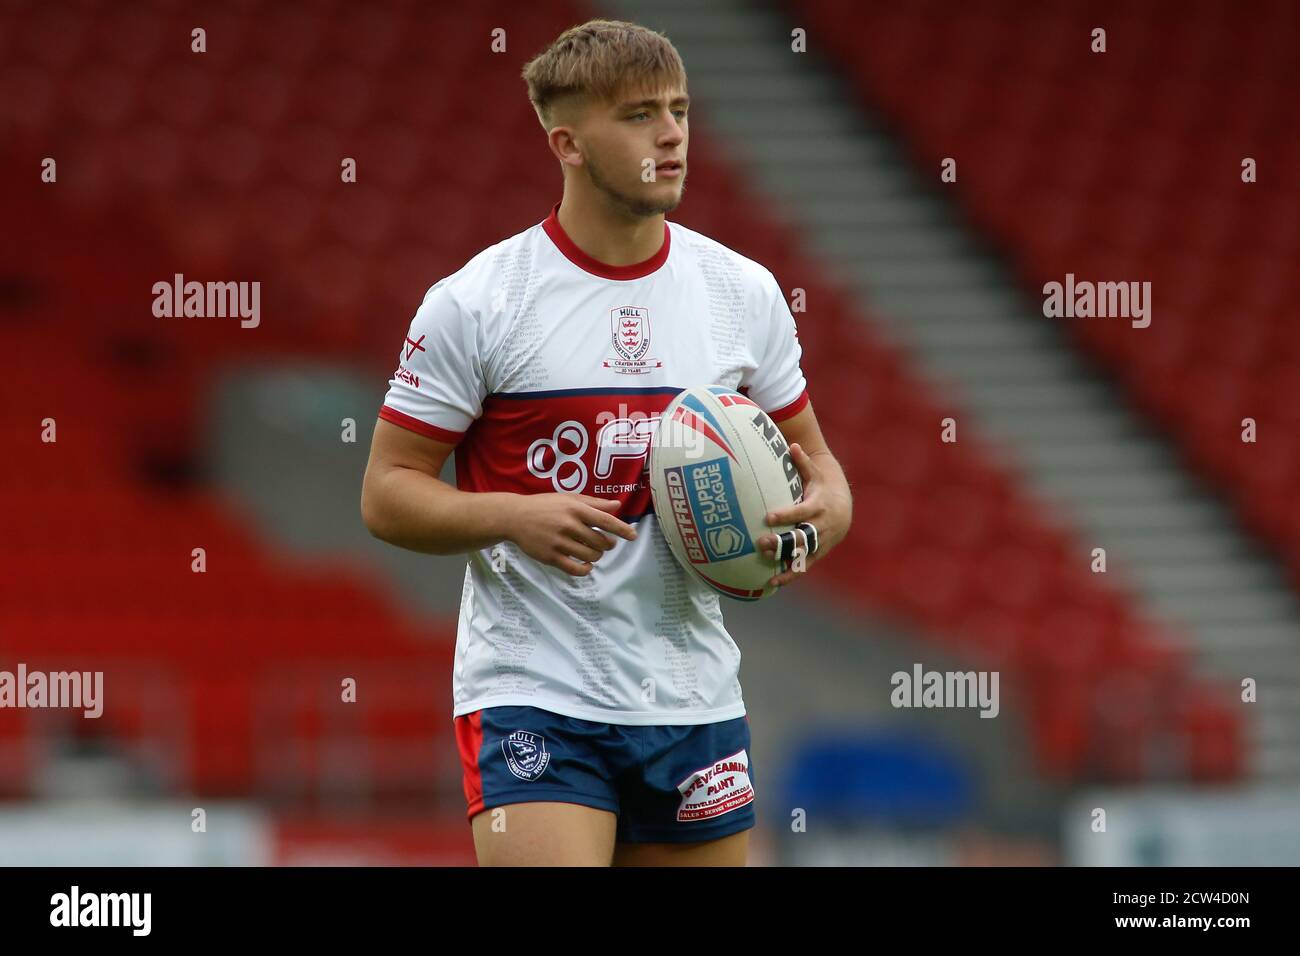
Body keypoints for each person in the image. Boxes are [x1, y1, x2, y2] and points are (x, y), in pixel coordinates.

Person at [361, 18, 853, 866]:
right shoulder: (479, 302)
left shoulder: (743, 292)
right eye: (637, 116)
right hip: (535, 692)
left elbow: (825, 478)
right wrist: (512, 516)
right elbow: (387, 492)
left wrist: (807, 532)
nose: (670, 134)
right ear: (568, 143)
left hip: (694, 696)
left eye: (679, 110)